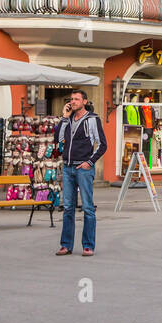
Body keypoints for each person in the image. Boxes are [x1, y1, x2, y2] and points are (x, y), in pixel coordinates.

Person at [55, 90, 107, 257]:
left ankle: (88, 245)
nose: (73, 102)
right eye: (71, 99)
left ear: (84, 101)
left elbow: (102, 144)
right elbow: (58, 140)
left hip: (83, 169)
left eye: (77, 99)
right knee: (68, 207)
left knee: (87, 207)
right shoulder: (68, 119)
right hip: (68, 168)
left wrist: (89, 162)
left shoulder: (92, 120)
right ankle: (66, 245)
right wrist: (64, 117)